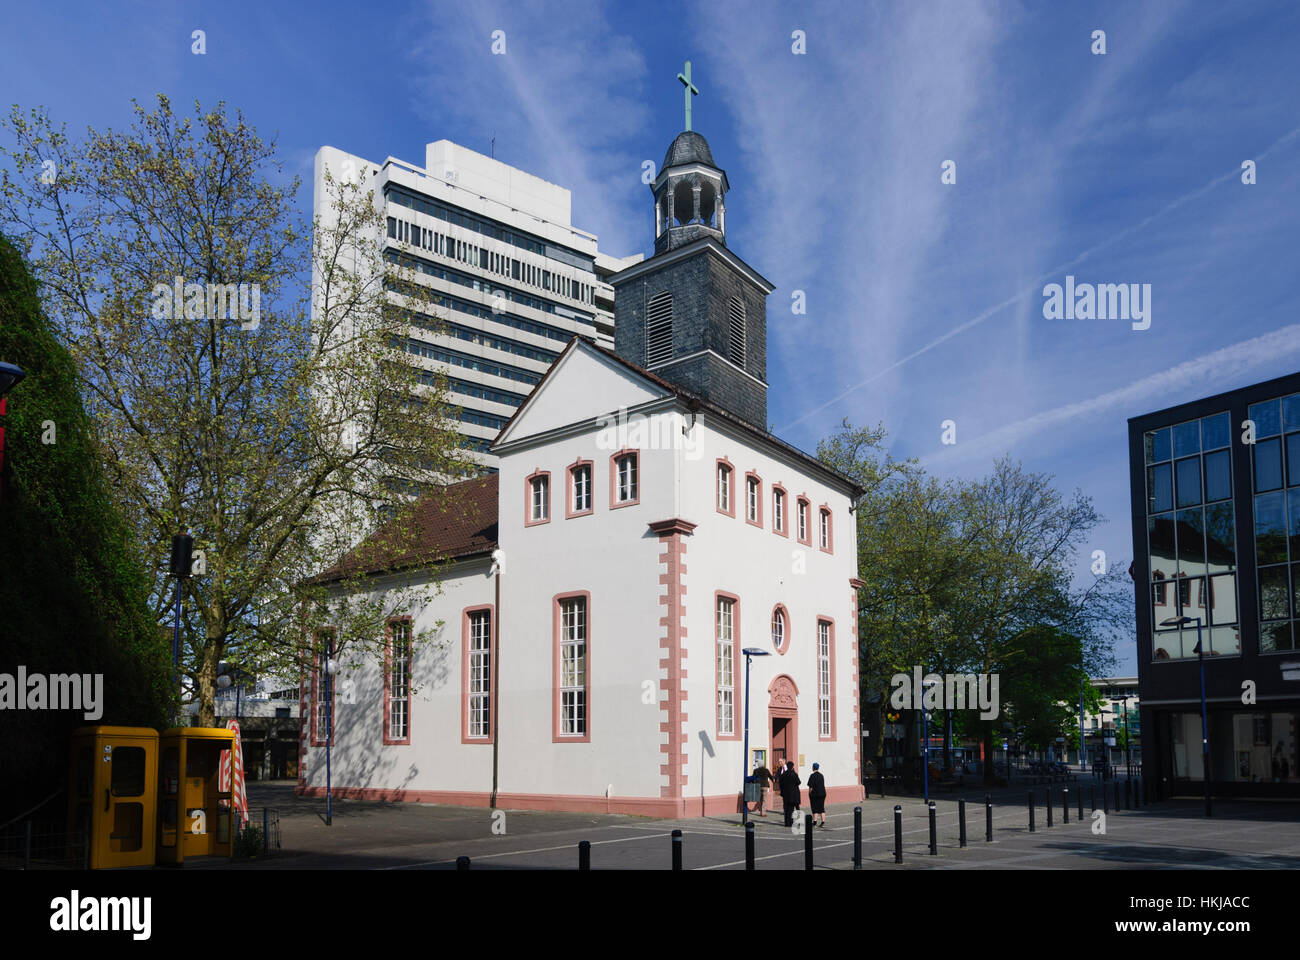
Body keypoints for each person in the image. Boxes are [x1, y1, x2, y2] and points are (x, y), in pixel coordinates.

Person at [780, 760, 802, 827]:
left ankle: (787, 823)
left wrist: (782, 792)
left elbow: (781, 784)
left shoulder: (784, 774)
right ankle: (796, 822)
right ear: (792, 767)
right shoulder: (794, 774)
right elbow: (799, 782)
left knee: (787, 809)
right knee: (794, 808)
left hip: (786, 794)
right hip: (794, 794)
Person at [807, 762, 827, 827]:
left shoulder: (812, 776)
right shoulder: (821, 775)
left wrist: (809, 793)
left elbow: (810, 786)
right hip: (822, 793)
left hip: (815, 794)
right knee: (821, 808)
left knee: (814, 808)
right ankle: (823, 822)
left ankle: (815, 822)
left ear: (813, 768)